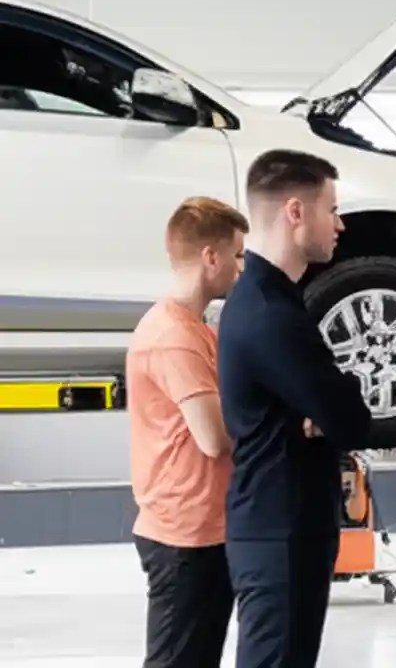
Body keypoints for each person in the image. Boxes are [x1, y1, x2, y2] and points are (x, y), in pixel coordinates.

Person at [216, 149, 379, 668]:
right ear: (295, 212)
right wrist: (334, 404)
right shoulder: (270, 314)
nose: (341, 223)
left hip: (279, 524)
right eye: (332, 209)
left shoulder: (272, 300)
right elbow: (351, 420)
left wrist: (324, 412)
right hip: (280, 531)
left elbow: (330, 415)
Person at [127, 197, 247, 668]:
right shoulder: (172, 336)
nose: (241, 268)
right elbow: (214, 438)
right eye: (237, 255)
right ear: (210, 257)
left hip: (203, 529)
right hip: (184, 537)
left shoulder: (196, 330)